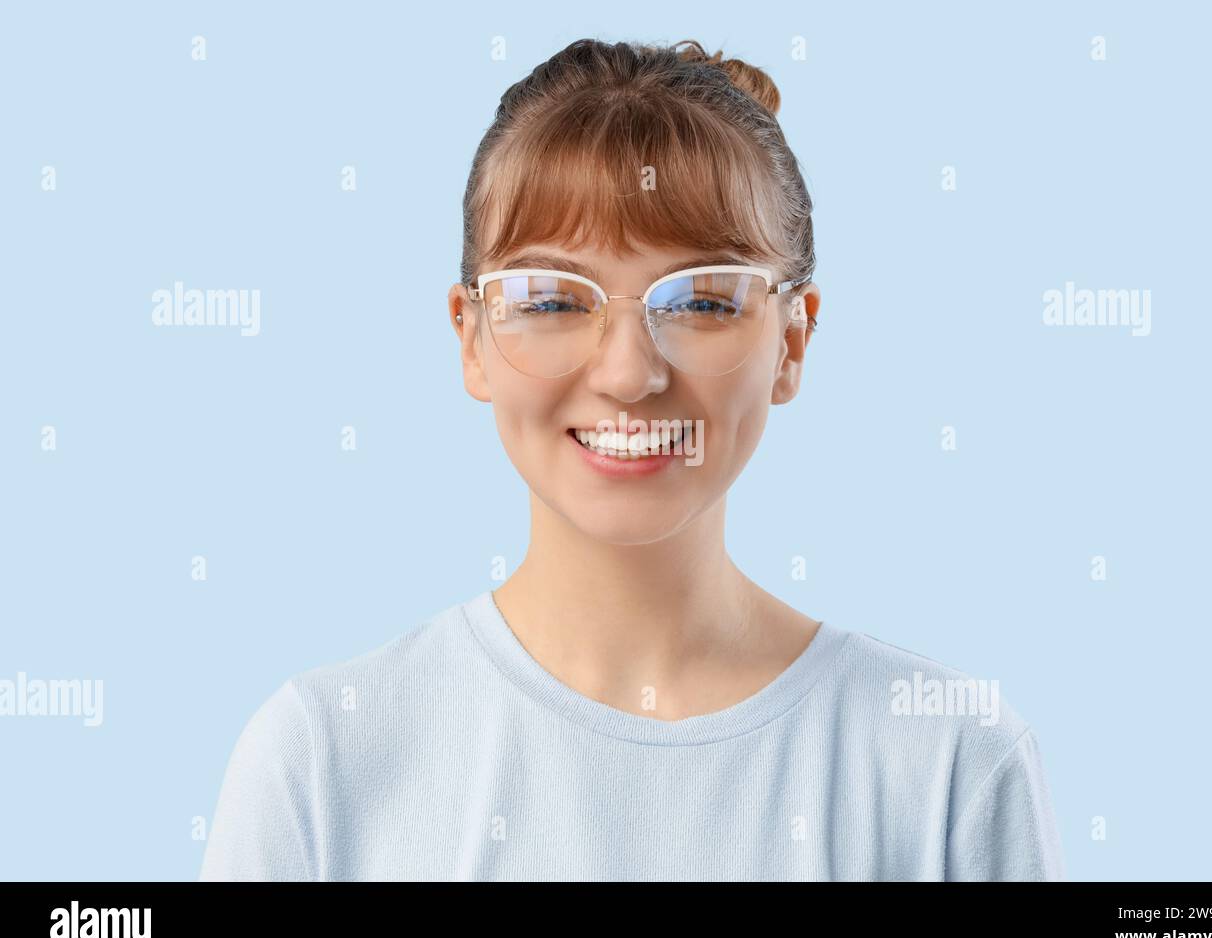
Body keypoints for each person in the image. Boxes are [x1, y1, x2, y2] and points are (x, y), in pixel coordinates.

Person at [199, 37, 1065, 881]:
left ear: (792, 342)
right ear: (471, 338)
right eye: (549, 300)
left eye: (700, 301)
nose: (627, 373)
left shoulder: (950, 763)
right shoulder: (321, 758)